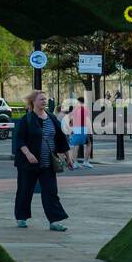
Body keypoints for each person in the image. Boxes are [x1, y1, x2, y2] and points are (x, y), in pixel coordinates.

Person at [13, 89, 72, 231]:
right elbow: (19, 140)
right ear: (33, 102)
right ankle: (21, 217)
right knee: (24, 190)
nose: (44, 101)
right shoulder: (26, 119)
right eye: (41, 99)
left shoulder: (52, 118)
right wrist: (28, 154)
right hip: (28, 164)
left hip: (48, 164)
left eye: (45, 99)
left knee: (51, 192)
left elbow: (61, 139)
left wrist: (68, 158)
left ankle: (55, 221)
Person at [70, 95, 95, 168]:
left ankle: (75, 162)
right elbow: (87, 120)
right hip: (83, 128)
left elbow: (71, 120)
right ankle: (86, 161)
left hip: (76, 128)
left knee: (76, 145)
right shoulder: (85, 109)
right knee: (89, 144)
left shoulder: (75, 109)